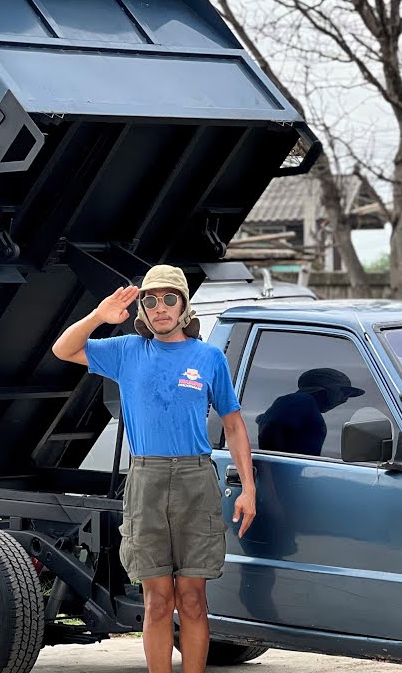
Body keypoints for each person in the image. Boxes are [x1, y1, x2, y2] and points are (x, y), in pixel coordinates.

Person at [51, 265, 256, 673]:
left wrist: (248, 488)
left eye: (168, 299)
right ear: (142, 308)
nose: (159, 307)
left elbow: (233, 424)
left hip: (196, 480)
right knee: (157, 600)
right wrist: (98, 316)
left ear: (183, 306)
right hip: (146, 481)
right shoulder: (126, 351)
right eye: (150, 299)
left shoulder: (208, 356)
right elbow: (63, 349)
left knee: (193, 599)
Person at [256, 368, 365, 456]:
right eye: (344, 392)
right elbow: (271, 430)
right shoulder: (301, 401)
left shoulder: (303, 404)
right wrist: (273, 474)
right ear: (325, 388)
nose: (345, 399)